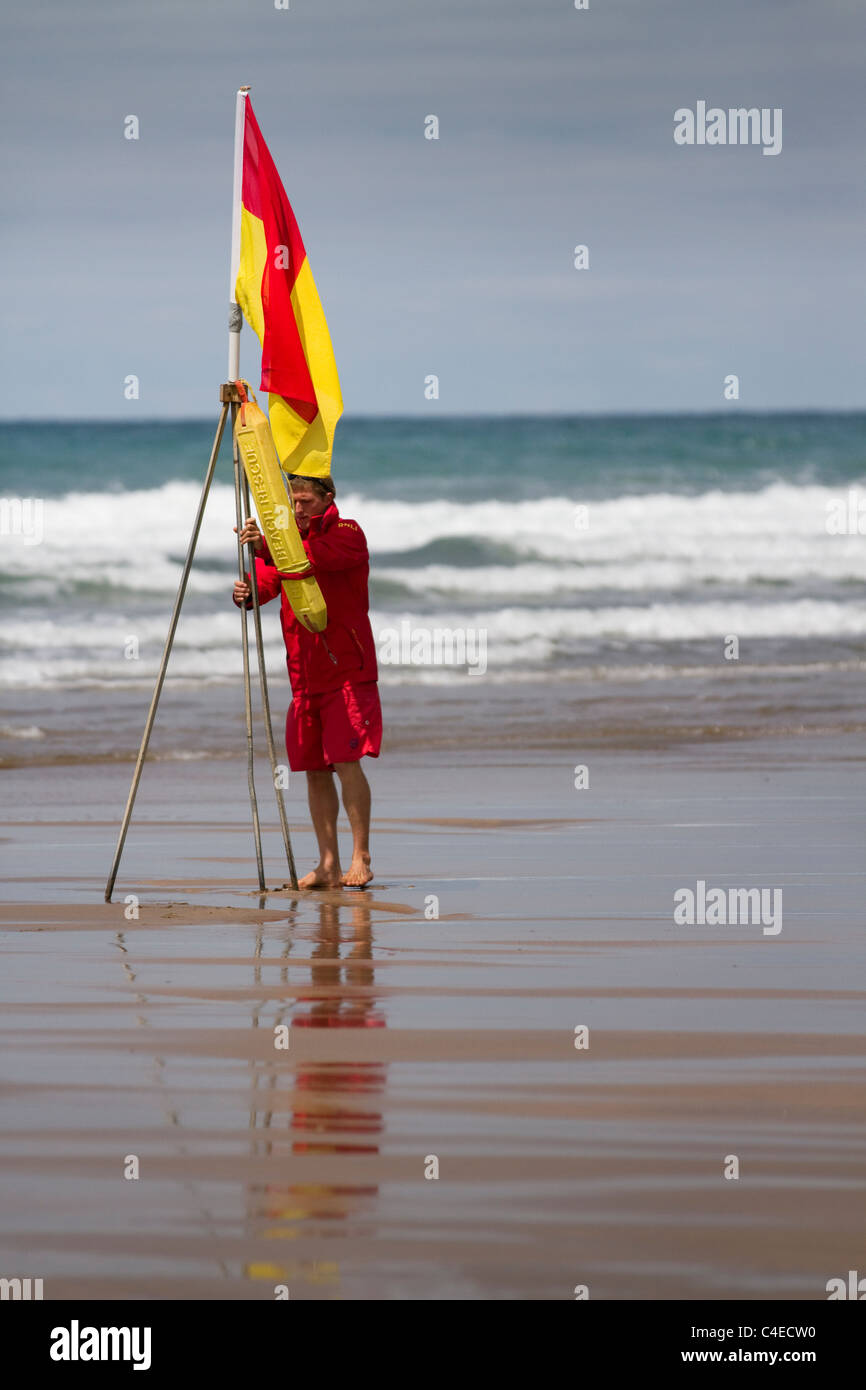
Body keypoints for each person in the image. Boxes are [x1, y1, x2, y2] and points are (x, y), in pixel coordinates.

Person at [232, 474, 381, 889]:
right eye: (292, 503)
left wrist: (268, 546)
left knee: (345, 760)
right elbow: (270, 582)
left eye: (305, 502)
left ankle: (360, 857)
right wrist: (248, 591)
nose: (298, 510)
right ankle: (329, 863)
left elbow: (308, 560)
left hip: (347, 669)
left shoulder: (348, 532)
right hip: (304, 672)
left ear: (327, 498)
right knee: (314, 768)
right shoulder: (285, 542)